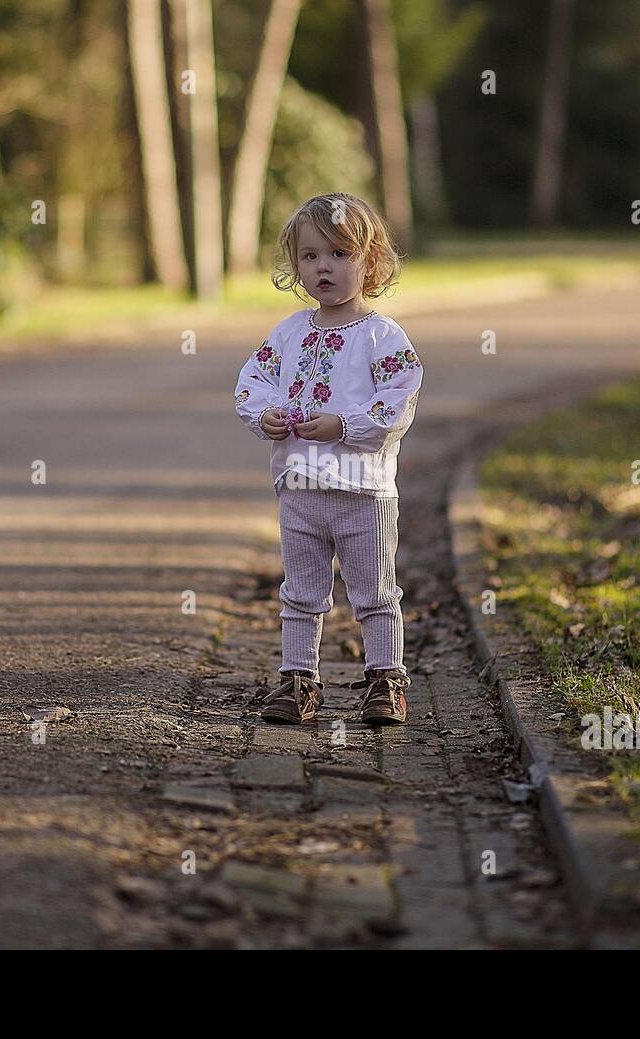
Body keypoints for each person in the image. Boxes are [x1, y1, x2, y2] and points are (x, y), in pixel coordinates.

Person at [233, 192, 424, 726]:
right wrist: (266, 414)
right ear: (296, 265)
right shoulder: (291, 332)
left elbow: (398, 399)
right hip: (300, 490)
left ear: (371, 262)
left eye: (340, 254)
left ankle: (385, 680)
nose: (324, 267)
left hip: (364, 490)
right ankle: (298, 680)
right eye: (311, 256)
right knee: (300, 591)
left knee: (376, 592)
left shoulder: (383, 337)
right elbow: (255, 380)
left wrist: (345, 424)